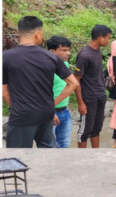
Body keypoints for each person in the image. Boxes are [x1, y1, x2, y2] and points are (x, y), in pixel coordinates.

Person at [2, 16, 78, 148]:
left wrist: (17, 107)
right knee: (48, 153)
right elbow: (73, 83)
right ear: (38, 34)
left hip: (21, 116)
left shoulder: (6, 57)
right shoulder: (51, 57)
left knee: (18, 156)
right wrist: (52, 104)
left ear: (19, 32)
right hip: (46, 115)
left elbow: (4, 92)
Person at [73, 24, 112, 148]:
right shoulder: (84, 55)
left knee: (96, 128)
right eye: (108, 38)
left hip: (100, 95)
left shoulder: (97, 51)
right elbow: (76, 80)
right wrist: (80, 102)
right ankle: (83, 159)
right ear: (100, 38)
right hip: (89, 98)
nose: (108, 41)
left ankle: (95, 154)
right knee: (85, 130)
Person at [48, 36, 74, 148]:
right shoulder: (46, 68)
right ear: (52, 51)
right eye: (63, 50)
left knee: (65, 143)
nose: (67, 53)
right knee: (49, 145)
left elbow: (63, 86)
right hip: (50, 113)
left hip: (64, 111)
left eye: (68, 50)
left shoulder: (65, 64)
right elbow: (44, 91)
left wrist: (66, 104)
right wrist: (51, 111)